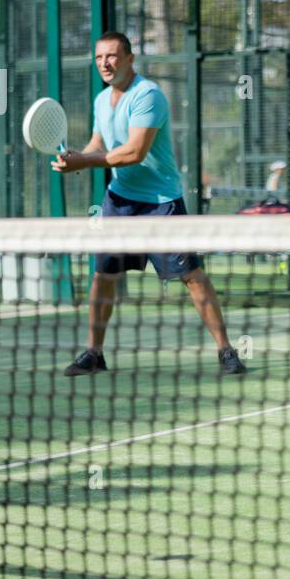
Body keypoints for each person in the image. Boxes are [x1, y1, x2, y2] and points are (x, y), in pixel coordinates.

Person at [53, 31, 246, 377]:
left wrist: (86, 162)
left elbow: (133, 152)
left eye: (111, 56)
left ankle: (226, 351)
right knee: (103, 275)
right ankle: (94, 353)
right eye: (99, 58)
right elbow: (100, 140)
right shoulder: (101, 100)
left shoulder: (148, 95)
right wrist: (79, 155)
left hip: (160, 203)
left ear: (129, 59)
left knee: (191, 275)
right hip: (119, 201)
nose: (105, 64)